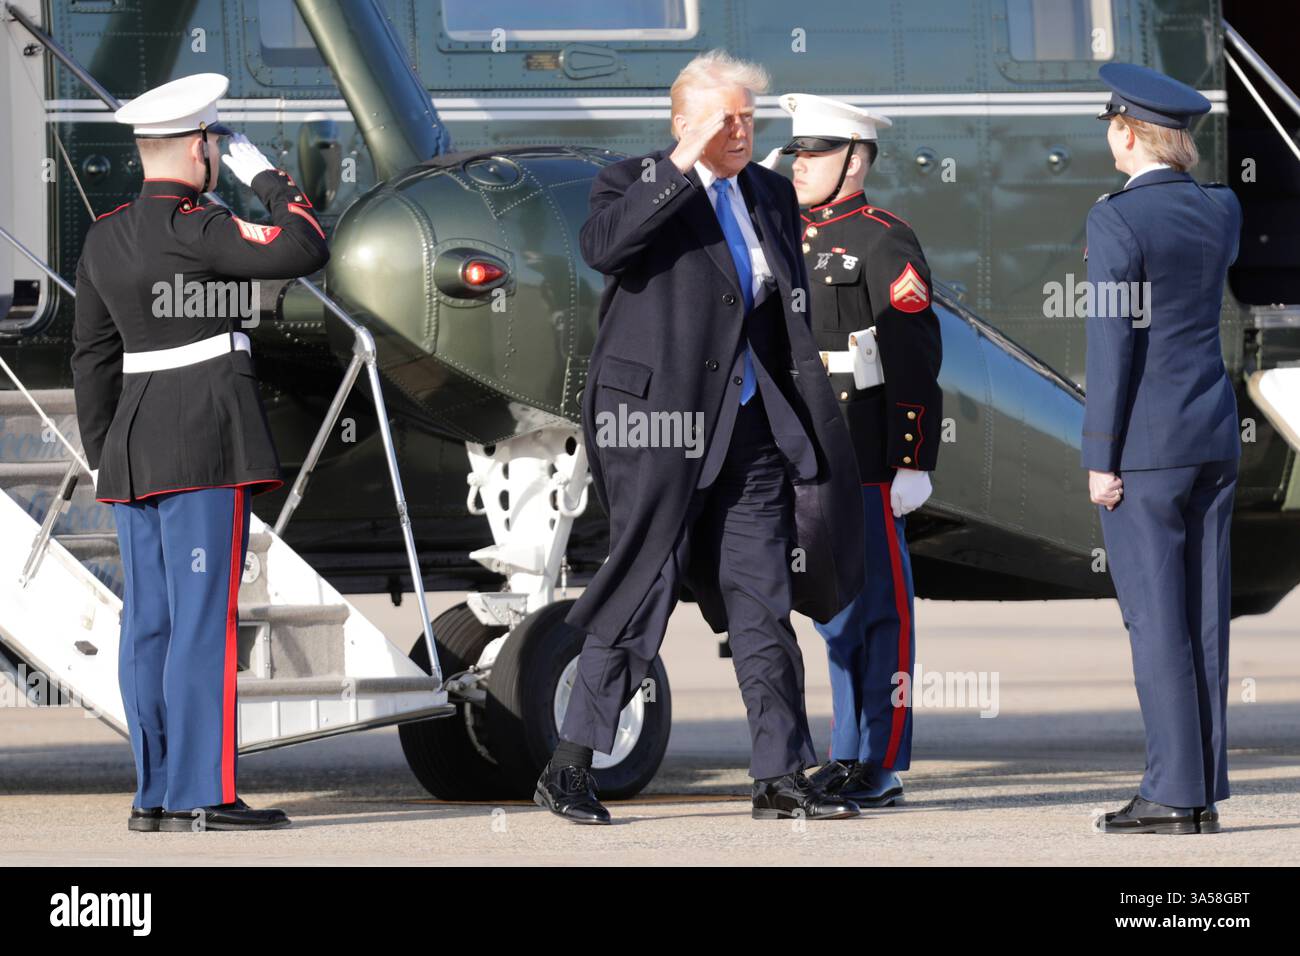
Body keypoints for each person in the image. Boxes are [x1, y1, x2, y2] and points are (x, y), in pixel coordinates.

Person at [534, 50, 866, 824]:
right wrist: (684, 164)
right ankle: (572, 765)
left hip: (751, 425)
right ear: (684, 124)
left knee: (761, 596)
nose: (744, 131)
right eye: (727, 120)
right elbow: (604, 249)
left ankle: (780, 773)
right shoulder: (635, 181)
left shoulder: (773, 195)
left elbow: (781, 311)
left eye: (751, 118)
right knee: (643, 582)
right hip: (658, 424)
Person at [70, 73, 330, 832]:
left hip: (130, 449)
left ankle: (154, 794)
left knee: (148, 622)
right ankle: (203, 793)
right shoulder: (197, 226)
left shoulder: (105, 233)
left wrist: (105, 454)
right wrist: (270, 178)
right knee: (201, 621)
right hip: (203, 445)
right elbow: (304, 246)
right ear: (197, 148)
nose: (217, 153)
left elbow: (92, 359)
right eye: (214, 143)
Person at [1082, 62, 1242, 835]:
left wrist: (1099, 456)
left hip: (1146, 447)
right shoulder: (1222, 208)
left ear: (1126, 131)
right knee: (1205, 619)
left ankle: (1173, 793)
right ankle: (1201, 789)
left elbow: (1112, 347)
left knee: (1156, 623)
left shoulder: (1115, 220)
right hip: (1212, 433)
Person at [778, 94, 943, 808]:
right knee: (834, 614)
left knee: (882, 611)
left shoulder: (883, 239)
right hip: (808, 453)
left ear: (855, 159)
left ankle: (880, 761)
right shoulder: (786, 232)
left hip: (867, 453)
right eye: (796, 154)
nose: (799, 167)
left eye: (814, 154)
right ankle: (845, 751)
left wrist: (913, 459)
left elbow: (912, 353)